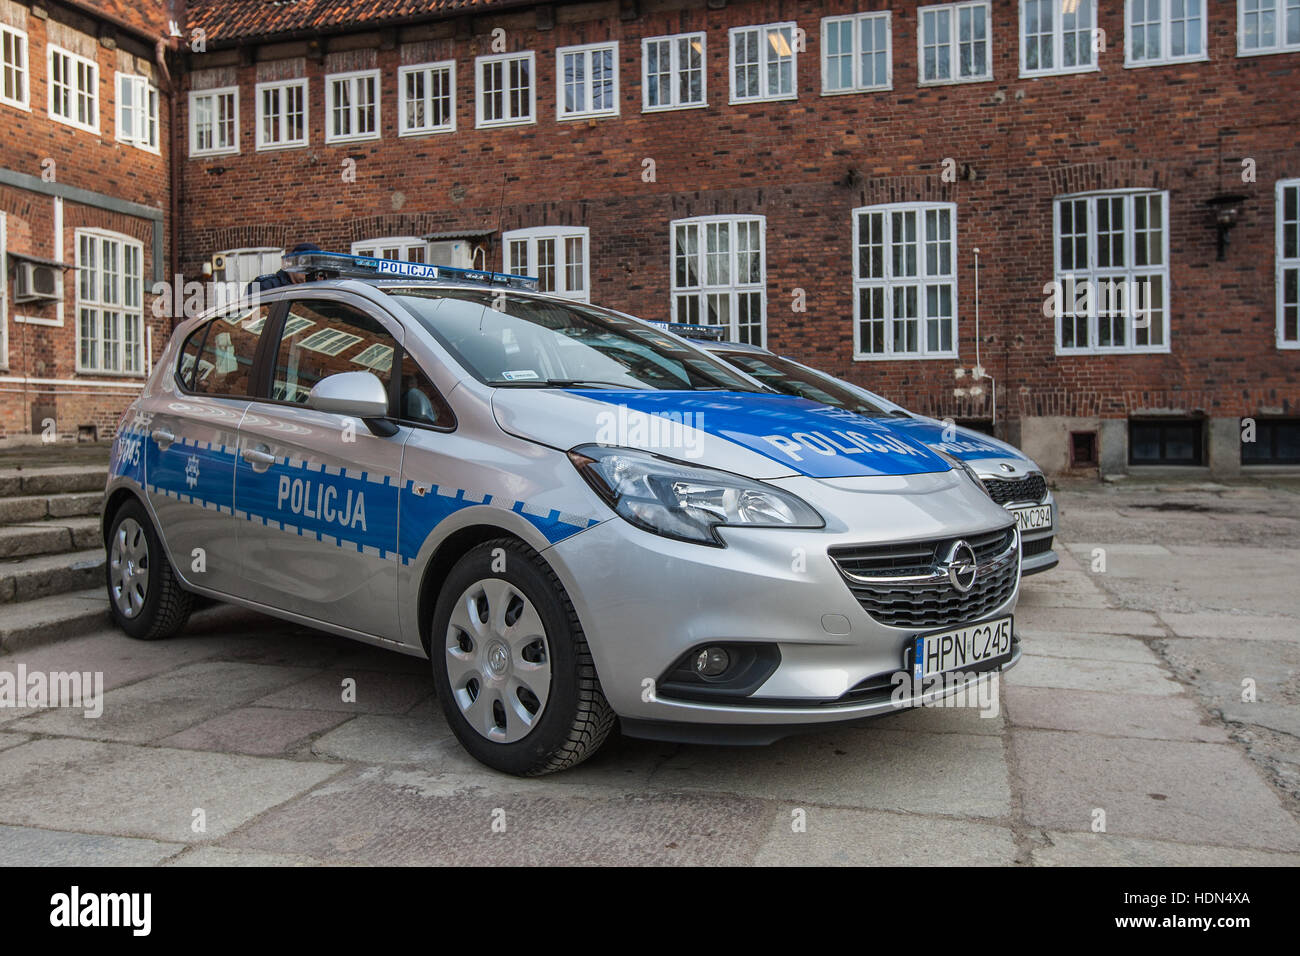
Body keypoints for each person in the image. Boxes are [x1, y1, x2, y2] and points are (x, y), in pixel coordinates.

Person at [247, 242, 321, 294]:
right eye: (306, 263)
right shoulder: (266, 286)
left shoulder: (314, 289)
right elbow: (250, 315)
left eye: (315, 266)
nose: (312, 269)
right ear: (291, 262)